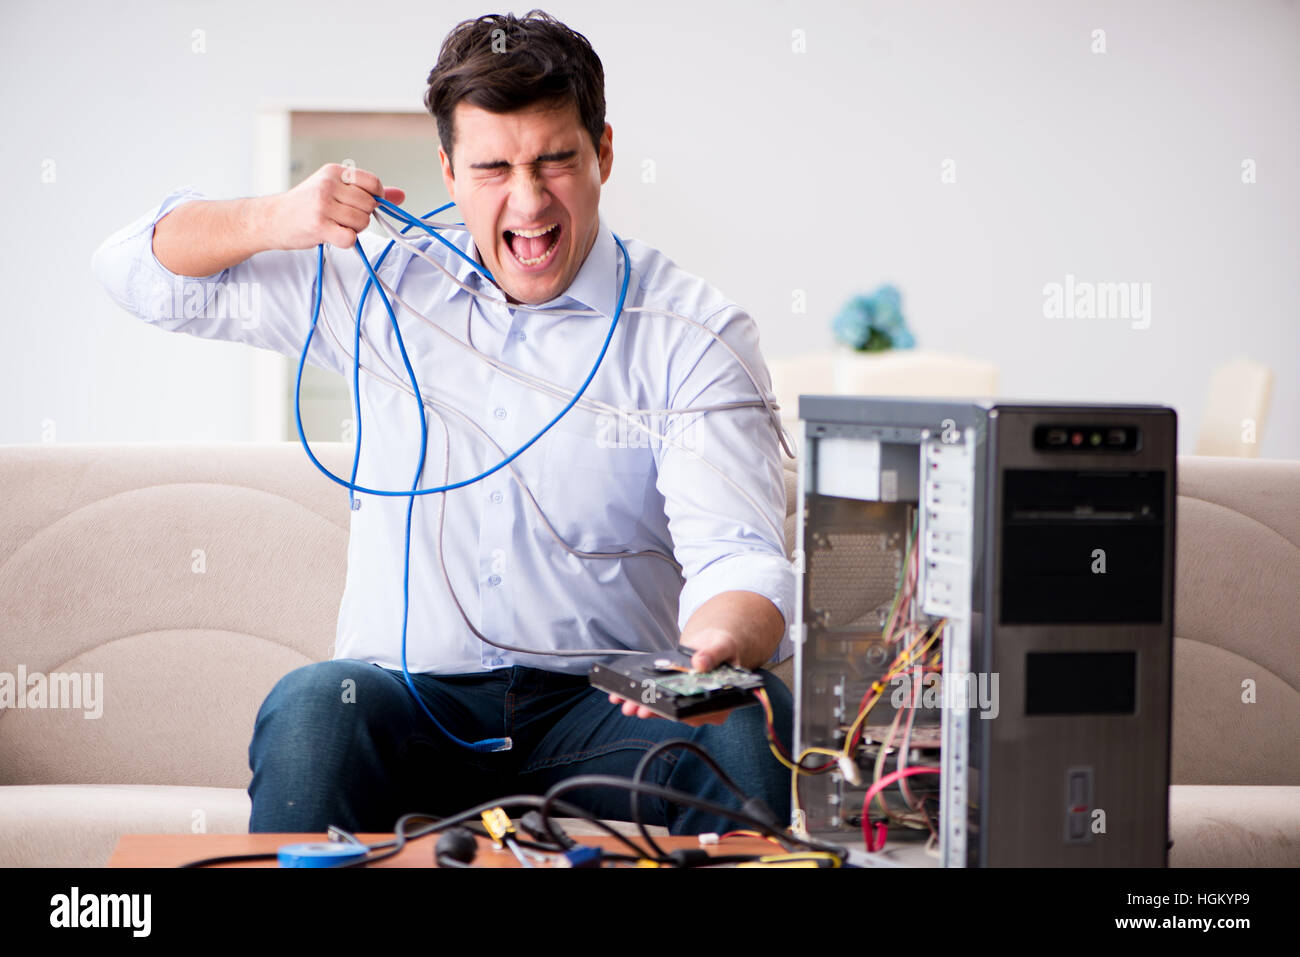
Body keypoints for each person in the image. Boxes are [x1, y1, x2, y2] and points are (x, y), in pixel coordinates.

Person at [91, 10, 795, 837]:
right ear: (448, 171)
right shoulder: (378, 285)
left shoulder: (692, 330)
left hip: (602, 711)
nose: (528, 202)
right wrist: (277, 218)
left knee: (744, 715)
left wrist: (714, 644)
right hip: (406, 702)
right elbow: (132, 271)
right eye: (493, 167)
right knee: (317, 703)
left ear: (603, 152)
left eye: (555, 161)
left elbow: (737, 554)